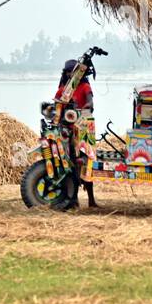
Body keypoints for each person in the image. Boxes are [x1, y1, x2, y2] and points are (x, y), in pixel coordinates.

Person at [53, 59, 97, 209]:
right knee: (70, 166)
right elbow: (56, 110)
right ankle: (74, 199)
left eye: (73, 72)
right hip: (66, 131)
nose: (70, 74)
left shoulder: (85, 87)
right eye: (68, 72)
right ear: (65, 74)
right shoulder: (62, 91)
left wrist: (85, 107)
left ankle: (91, 200)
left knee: (87, 163)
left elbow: (91, 103)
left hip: (83, 129)